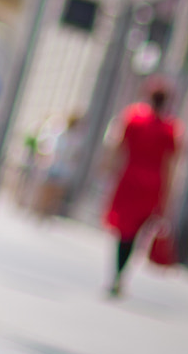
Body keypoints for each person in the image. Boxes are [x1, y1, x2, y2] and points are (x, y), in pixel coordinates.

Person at [103, 81, 180, 297]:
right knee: (137, 233)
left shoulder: (133, 118)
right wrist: (168, 198)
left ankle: (118, 275)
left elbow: (117, 147)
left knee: (124, 232)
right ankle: (121, 274)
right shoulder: (170, 128)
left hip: (130, 180)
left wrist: (109, 174)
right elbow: (171, 165)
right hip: (153, 185)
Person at [33, 113, 85, 220]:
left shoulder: (77, 137)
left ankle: (50, 212)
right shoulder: (62, 134)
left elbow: (76, 154)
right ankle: (41, 211)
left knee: (57, 192)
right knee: (48, 189)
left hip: (65, 168)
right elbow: (55, 148)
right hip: (55, 165)